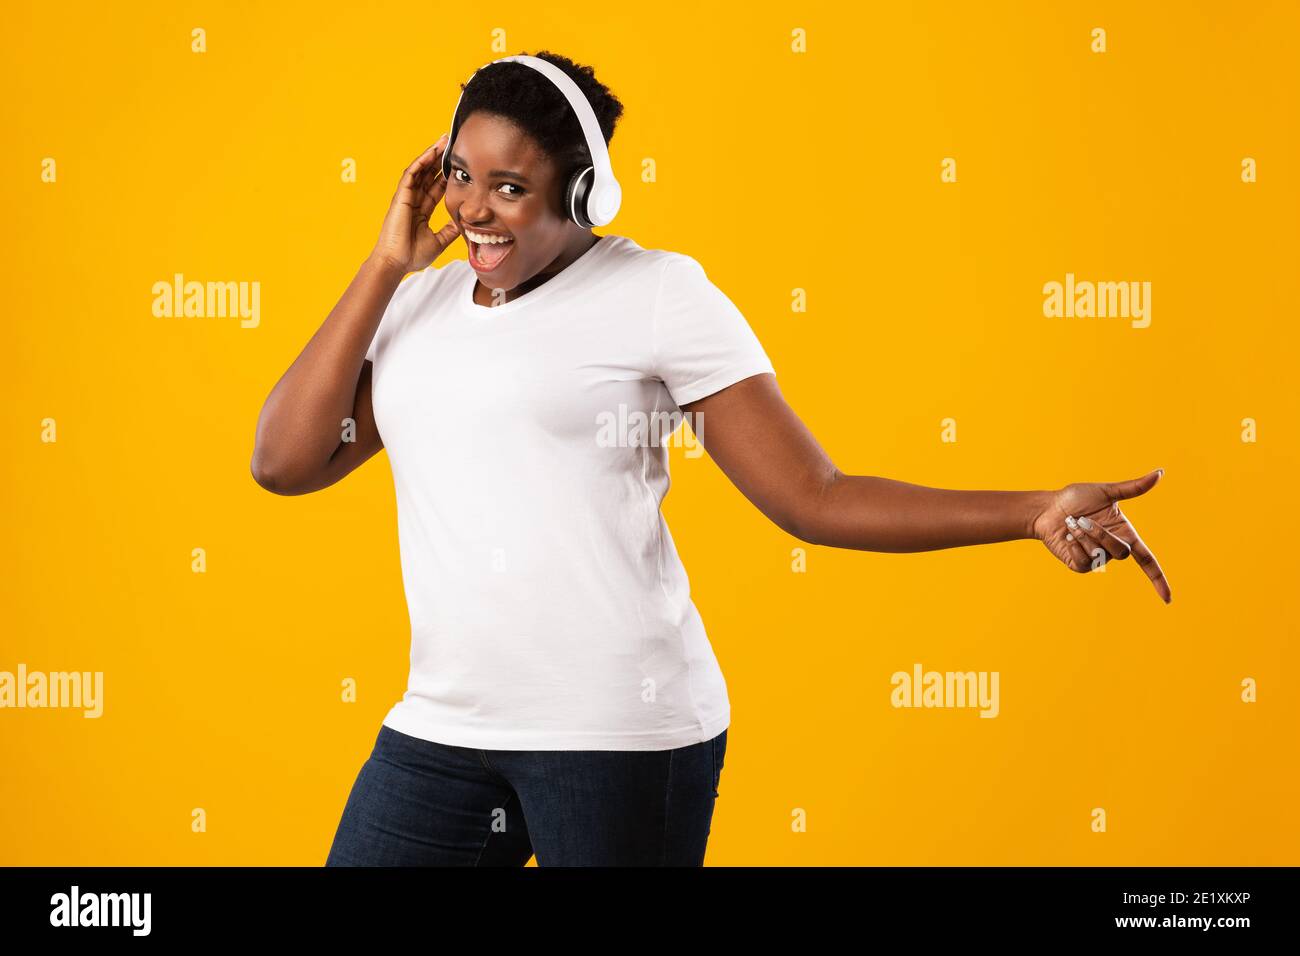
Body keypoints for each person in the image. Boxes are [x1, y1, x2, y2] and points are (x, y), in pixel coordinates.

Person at [249, 50, 1171, 867]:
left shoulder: (656, 294)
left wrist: (1031, 510)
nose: (473, 209)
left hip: (617, 734)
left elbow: (816, 497)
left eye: (508, 187)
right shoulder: (421, 305)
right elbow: (284, 462)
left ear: (582, 194)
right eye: (458, 175)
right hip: (446, 726)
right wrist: (384, 267)